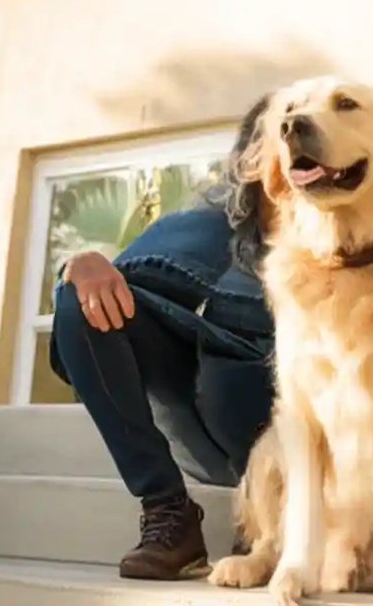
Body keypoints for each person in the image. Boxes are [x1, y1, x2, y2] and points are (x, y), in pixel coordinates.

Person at [48, 95, 276, 580]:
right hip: (203, 410)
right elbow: (137, 275)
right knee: (80, 300)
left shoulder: (361, 232)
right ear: (250, 160)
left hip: (287, 427)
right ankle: (168, 511)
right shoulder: (213, 216)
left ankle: (272, 513)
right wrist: (85, 266)